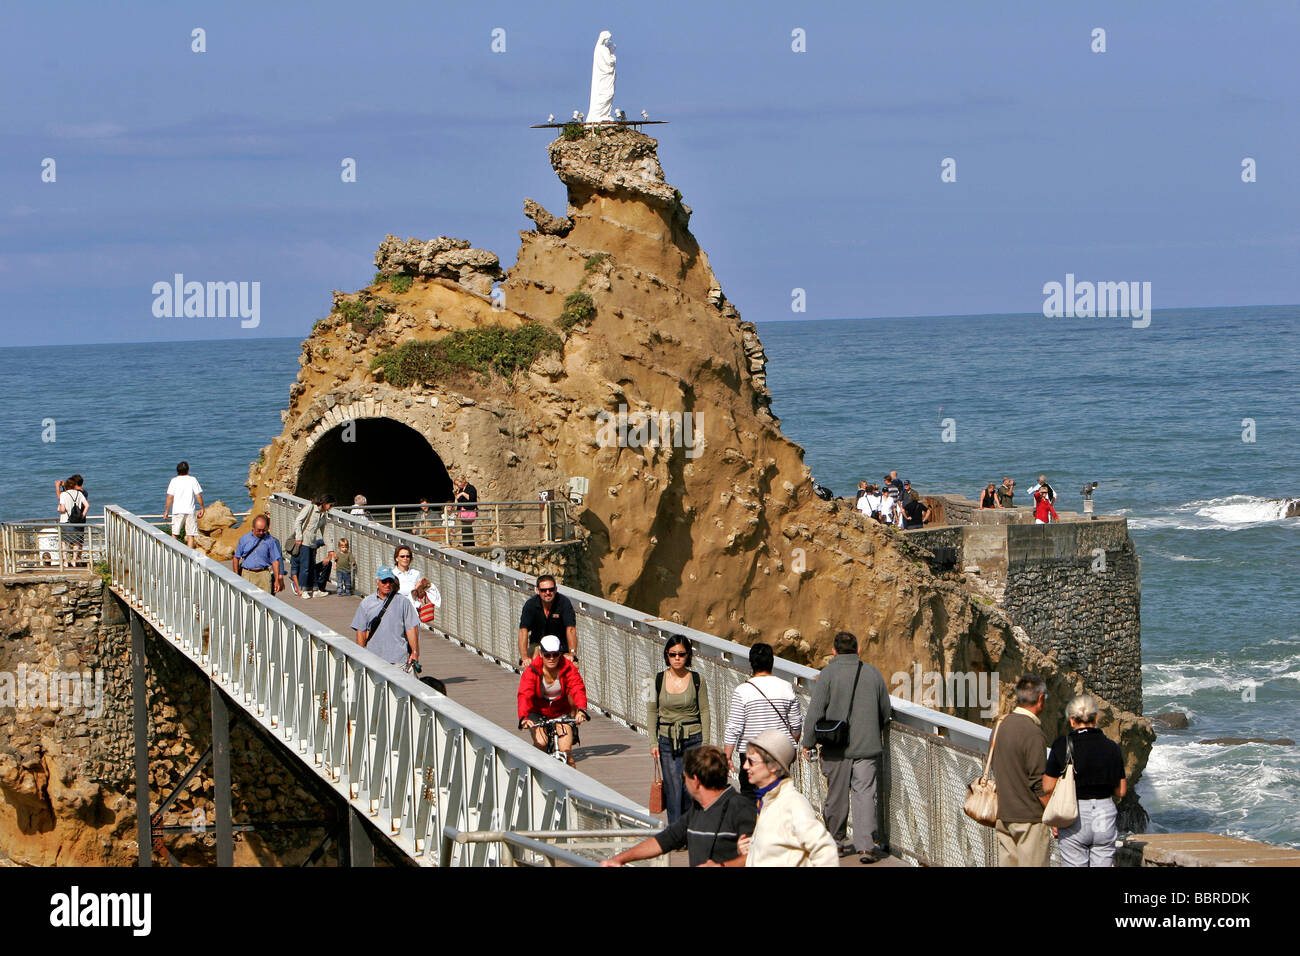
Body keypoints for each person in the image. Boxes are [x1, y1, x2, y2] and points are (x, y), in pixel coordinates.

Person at [800, 631, 892, 862]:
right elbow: (885, 711)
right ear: (858, 650)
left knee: (837, 796)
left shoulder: (828, 674)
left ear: (834, 651)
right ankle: (866, 846)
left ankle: (837, 843)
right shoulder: (873, 673)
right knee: (865, 795)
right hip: (867, 745)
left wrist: (808, 742)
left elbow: (815, 713)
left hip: (836, 748)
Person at [601, 746, 754, 867]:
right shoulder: (698, 809)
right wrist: (620, 859)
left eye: (684, 777)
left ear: (695, 780)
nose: (684, 782)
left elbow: (760, 856)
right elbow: (667, 839)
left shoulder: (740, 808)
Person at [1044, 694, 1127, 867]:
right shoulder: (1111, 747)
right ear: (1096, 718)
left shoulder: (1062, 745)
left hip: (1073, 813)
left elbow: (1047, 786)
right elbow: (1121, 791)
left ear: (1072, 721)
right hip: (1104, 814)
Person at [738, 730, 838, 867]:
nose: (745, 766)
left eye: (751, 761)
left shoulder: (792, 803)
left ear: (772, 766)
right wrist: (753, 850)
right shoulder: (766, 801)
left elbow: (825, 850)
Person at [723, 643, 803, 800]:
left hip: (751, 755)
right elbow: (796, 724)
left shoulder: (742, 691)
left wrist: (727, 757)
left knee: (750, 799)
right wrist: (790, 746)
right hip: (778, 753)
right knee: (777, 799)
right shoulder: (786, 687)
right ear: (772, 662)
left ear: (751, 663)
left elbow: (734, 727)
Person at [648, 636, 711, 824]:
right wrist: (653, 742)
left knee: (689, 785)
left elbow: (705, 710)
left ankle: (690, 828)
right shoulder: (653, 680)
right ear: (667, 655)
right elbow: (651, 711)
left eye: (681, 654)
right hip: (667, 739)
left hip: (693, 737)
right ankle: (676, 831)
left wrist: (705, 743)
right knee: (673, 786)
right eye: (672, 654)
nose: (677, 658)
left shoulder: (698, 679)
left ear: (688, 656)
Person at [991, 675, 1051, 867]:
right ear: (1040, 698)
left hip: (1005, 813)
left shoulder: (1001, 725)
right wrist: (1053, 817)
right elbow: (1037, 782)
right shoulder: (1033, 733)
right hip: (1029, 818)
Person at [517, 635, 588, 766]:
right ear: (540, 654)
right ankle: (536, 774)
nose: (551, 658)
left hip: (560, 711)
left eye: (555, 655)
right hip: (538, 711)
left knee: (567, 753)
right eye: (547, 655)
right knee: (541, 743)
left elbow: (577, 687)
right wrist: (523, 717)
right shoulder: (532, 670)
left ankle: (570, 782)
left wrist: (581, 710)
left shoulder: (567, 667)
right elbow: (524, 694)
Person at [350, 566, 421, 669]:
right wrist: (361, 657)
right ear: (377, 582)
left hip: (399, 659)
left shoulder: (403, 602)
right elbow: (361, 631)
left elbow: (411, 628)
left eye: (390, 581)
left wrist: (415, 652)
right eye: (384, 581)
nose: (387, 584)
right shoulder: (366, 603)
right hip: (373, 659)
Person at [517, 574, 578, 666]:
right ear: (537, 591)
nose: (547, 592)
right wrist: (524, 657)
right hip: (538, 644)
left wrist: (572, 653)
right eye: (543, 590)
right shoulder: (531, 605)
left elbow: (571, 629)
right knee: (530, 667)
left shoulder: (564, 603)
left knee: (572, 666)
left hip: (560, 647)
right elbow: (523, 630)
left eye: (551, 589)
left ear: (556, 589)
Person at [292, 494, 334, 598]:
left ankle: (315, 590)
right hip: (304, 542)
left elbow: (325, 533)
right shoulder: (310, 508)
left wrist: (330, 549)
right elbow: (298, 521)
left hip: (313, 543)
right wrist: (299, 537)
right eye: (330, 505)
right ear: (324, 503)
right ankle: (303, 590)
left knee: (312, 567)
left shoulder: (322, 515)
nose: (331, 508)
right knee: (305, 567)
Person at [231, 514, 284, 594]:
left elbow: (275, 561)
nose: (261, 532)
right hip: (247, 574)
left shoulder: (270, 540)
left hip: (264, 574)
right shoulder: (244, 539)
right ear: (253, 528)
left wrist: (277, 580)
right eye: (259, 530)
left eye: (264, 530)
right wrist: (236, 575)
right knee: (247, 600)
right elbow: (236, 558)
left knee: (266, 600)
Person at [163, 461, 205, 547]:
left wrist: (166, 511)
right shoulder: (192, 479)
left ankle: (172, 554)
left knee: (175, 534)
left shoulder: (174, 481)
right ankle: (189, 557)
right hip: (190, 510)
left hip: (177, 511)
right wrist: (202, 508)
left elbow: (170, 497)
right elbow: (198, 495)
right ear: (188, 470)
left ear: (177, 470)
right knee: (190, 535)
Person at [392, 544, 437, 615]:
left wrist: (420, 588)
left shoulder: (416, 573)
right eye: (402, 556)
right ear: (396, 558)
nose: (405, 558)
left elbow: (420, 595)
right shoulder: (392, 574)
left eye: (408, 556)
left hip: (413, 611)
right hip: (397, 610)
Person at [55, 475, 89, 567]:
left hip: (65, 520)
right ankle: (75, 560)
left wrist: (58, 487)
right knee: (77, 541)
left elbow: (62, 505)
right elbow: (87, 505)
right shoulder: (81, 493)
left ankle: (65, 561)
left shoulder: (64, 494)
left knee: (64, 542)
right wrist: (82, 515)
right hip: (78, 520)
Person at [453, 476, 478, 547]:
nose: (457, 486)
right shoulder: (461, 489)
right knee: (465, 529)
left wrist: (462, 494)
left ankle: (469, 545)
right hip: (463, 512)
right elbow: (460, 502)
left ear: (462, 482)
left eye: (458, 484)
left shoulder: (471, 488)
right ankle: (466, 544)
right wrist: (457, 511)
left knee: (467, 529)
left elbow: (471, 498)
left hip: (469, 510)